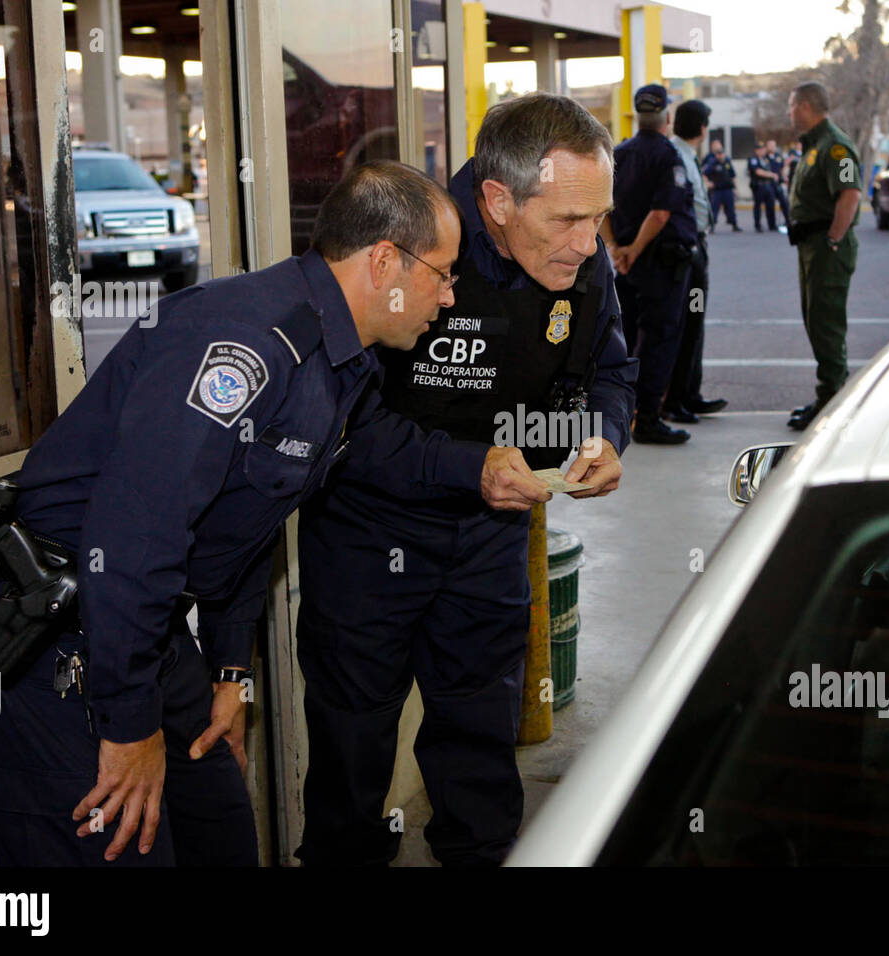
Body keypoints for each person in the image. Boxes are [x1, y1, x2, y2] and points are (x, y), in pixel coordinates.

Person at [0, 160, 488, 866]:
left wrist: (232, 671)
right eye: (443, 273)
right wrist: (129, 723)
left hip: (145, 630)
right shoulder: (247, 345)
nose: (448, 297)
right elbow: (136, 535)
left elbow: (250, 515)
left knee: (222, 837)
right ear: (385, 261)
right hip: (53, 642)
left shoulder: (341, 361)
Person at [295, 93, 636, 867]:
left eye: (600, 218)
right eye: (566, 221)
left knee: (481, 747)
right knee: (353, 756)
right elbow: (344, 425)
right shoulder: (405, 248)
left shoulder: (583, 257)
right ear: (496, 199)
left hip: (489, 537)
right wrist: (469, 466)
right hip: (369, 538)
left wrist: (605, 437)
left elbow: (614, 370)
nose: (589, 244)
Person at [606, 83, 698, 445]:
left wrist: (617, 248)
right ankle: (648, 418)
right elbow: (660, 214)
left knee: (626, 339)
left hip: (628, 265)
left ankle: (623, 415)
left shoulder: (619, 154)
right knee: (660, 337)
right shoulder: (667, 156)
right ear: (667, 116)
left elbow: (604, 208)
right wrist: (635, 249)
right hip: (659, 263)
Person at [784, 81, 862, 431]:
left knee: (827, 323)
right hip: (811, 248)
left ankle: (832, 402)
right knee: (816, 319)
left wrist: (832, 240)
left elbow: (850, 194)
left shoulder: (835, 147)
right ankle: (828, 396)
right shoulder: (814, 146)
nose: (789, 113)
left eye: (791, 106)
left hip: (826, 249)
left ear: (804, 106)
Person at [664, 98, 728, 424]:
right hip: (686, 253)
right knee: (686, 323)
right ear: (702, 129)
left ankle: (690, 393)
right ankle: (676, 398)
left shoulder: (685, 155)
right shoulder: (676, 156)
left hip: (695, 251)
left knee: (694, 320)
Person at [701, 139, 740, 232]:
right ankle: (712, 226)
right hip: (717, 189)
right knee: (714, 209)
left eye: (721, 153)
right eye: (718, 153)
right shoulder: (712, 162)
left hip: (728, 188)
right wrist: (707, 183)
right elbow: (703, 173)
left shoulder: (727, 162)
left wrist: (735, 188)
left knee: (731, 208)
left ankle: (734, 224)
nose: (720, 155)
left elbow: (732, 175)